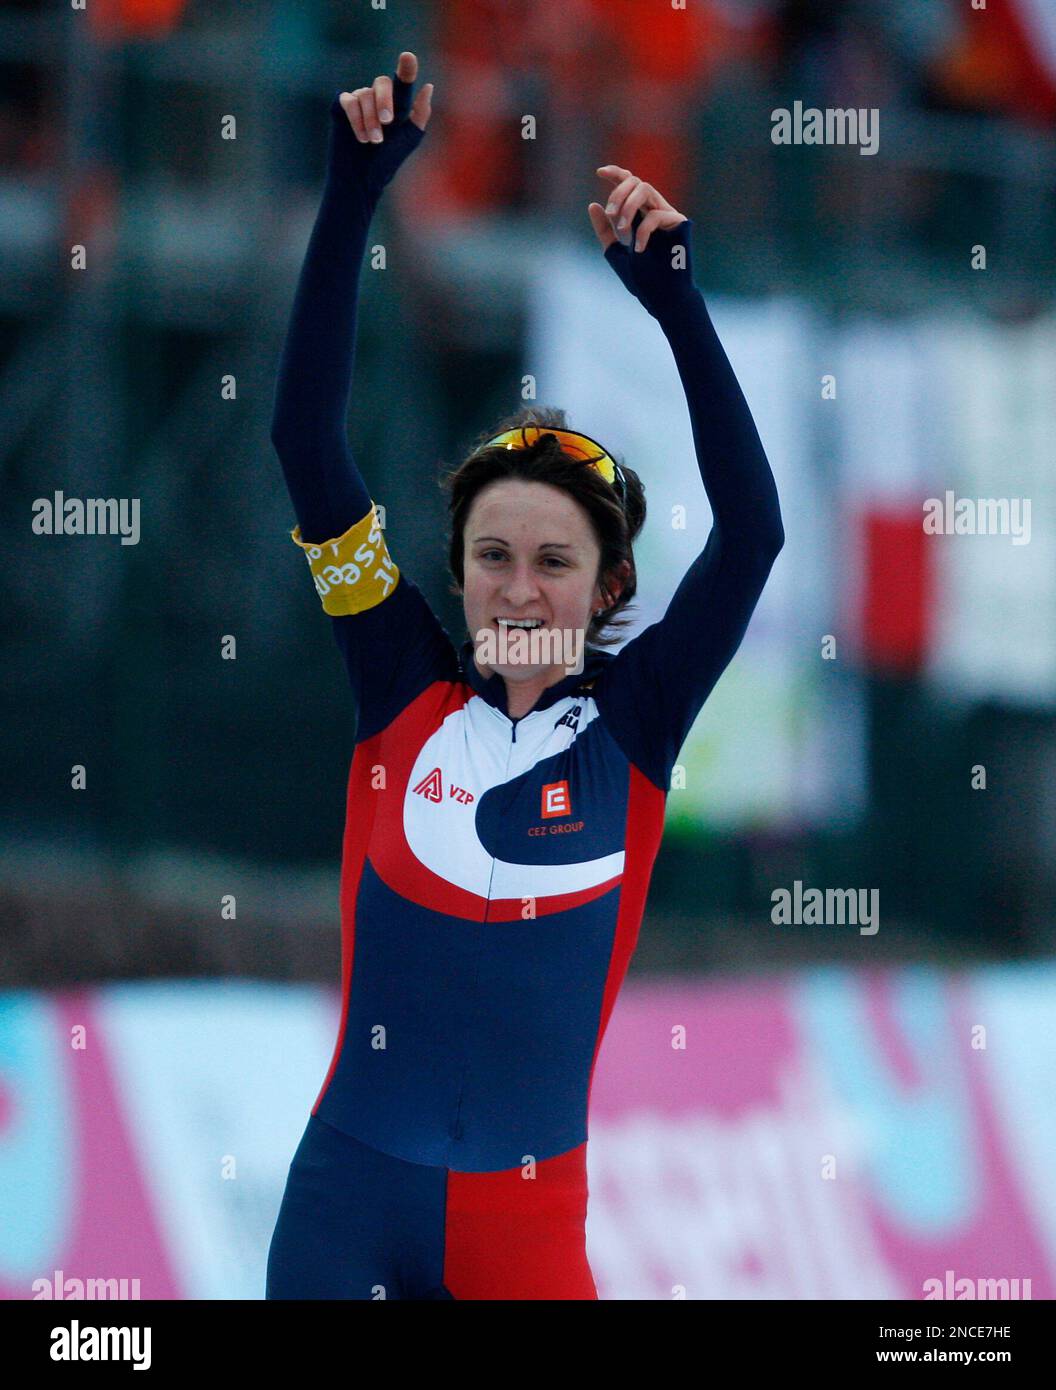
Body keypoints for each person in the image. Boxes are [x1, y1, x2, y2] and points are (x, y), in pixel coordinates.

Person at [265, 51, 783, 1301]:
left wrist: (677, 311)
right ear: (455, 572)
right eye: (490, 554)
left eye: (553, 561)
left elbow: (752, 534)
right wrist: (350, 197)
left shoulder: (638, 725)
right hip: (344, 1204)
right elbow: (307, 445)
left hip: (525, 1232)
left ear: (608, 591)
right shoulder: (398, 682)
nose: (515, 584)